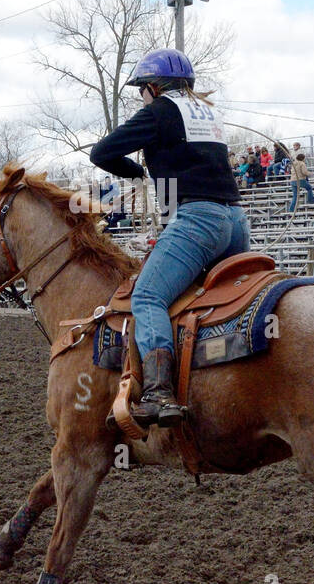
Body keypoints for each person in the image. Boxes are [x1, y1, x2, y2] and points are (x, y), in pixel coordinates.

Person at [89, 47, 249, 428]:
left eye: (141, 89)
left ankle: (159, 392)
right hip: (236, 221)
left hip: (198, 220)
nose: (141, 96)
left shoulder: (160, 110)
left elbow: (102, 152)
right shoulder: (208, 113)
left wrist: (133, 170)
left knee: (147, 295)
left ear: (153, 87)